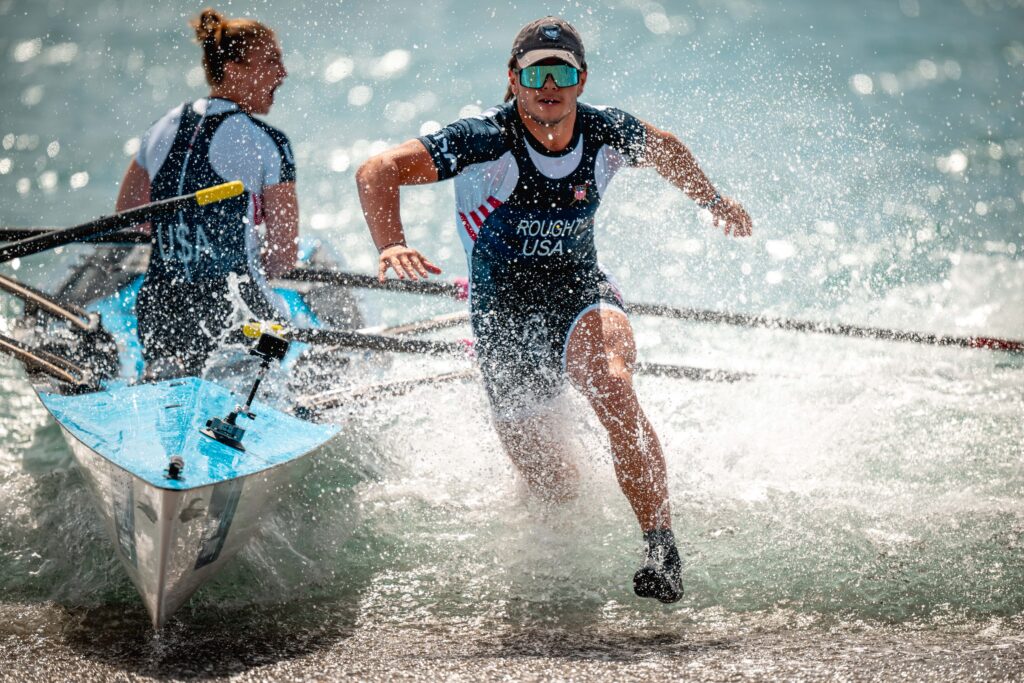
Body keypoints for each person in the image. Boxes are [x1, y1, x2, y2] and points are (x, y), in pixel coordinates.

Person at [356, 17, 752, 603]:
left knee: (613, 385)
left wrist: (714, 200)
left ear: (581, 81)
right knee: (555, 487)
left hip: (580, 291)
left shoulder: (607, 131)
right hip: (504, 316)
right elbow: (378, 169)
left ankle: (661, 547)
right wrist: (390, 243)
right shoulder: (484, 138)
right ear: (514, 79)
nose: (549, 85)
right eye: (536, 72)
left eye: (562, 74)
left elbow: (666, 148)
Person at [115, 7, 298, 377]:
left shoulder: (160, 127)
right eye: (271, 61)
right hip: (239, 315)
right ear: (234, 69)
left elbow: (130, 216)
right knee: (286, 328)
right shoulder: (267, 142)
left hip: (158, 314)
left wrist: (185, 239)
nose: (283, 73)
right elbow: (284, 254)